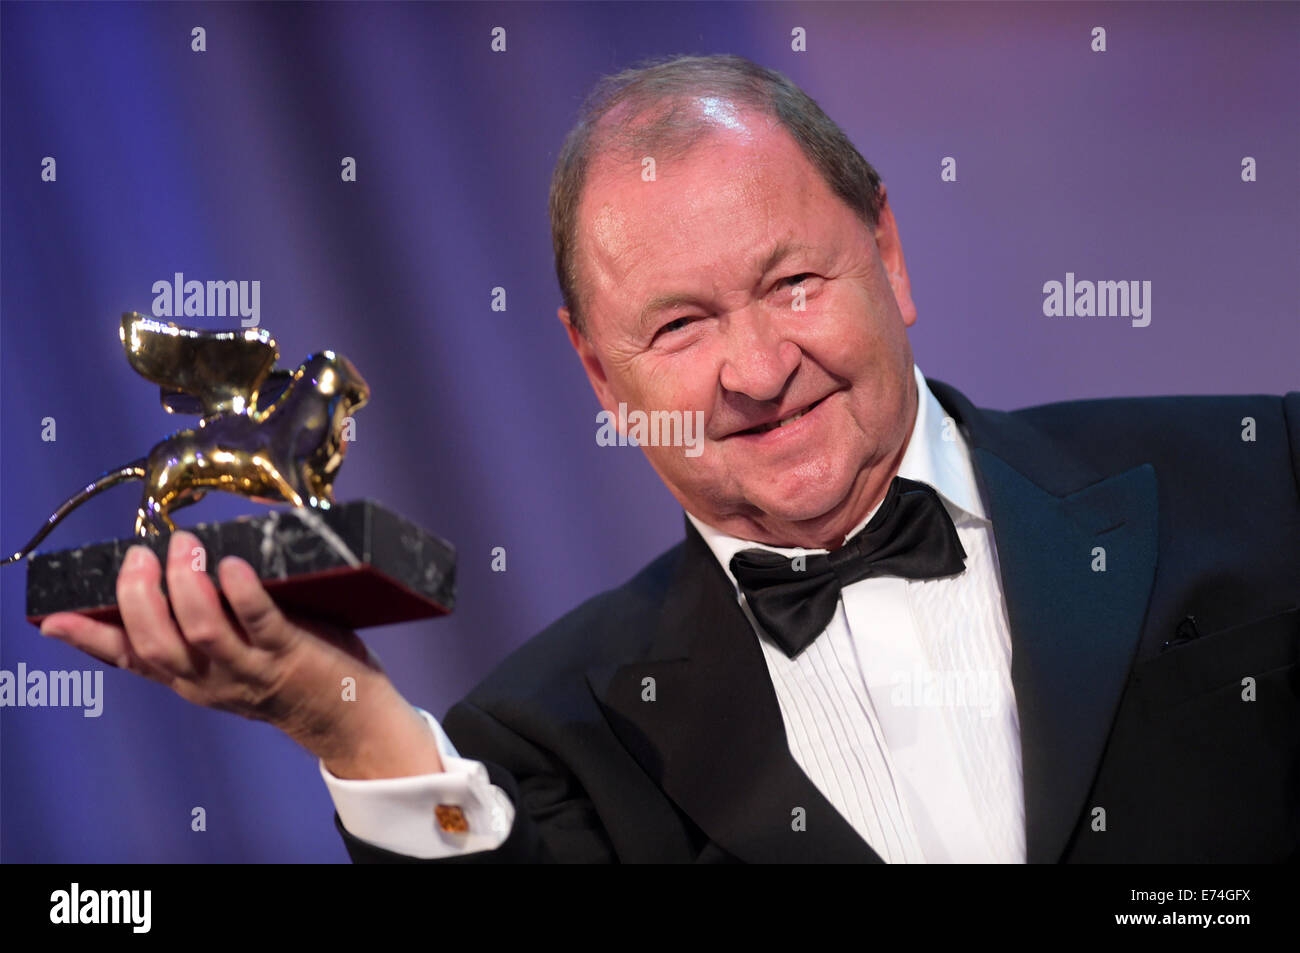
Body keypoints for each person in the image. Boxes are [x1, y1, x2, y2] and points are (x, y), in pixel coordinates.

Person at [38, 55, 1299, 863]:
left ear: (889, 255)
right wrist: (348, 720)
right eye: (681, 325)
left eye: (793, 281)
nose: (754, 369)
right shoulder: (545, 735)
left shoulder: (1258, 469)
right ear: (599, 371)